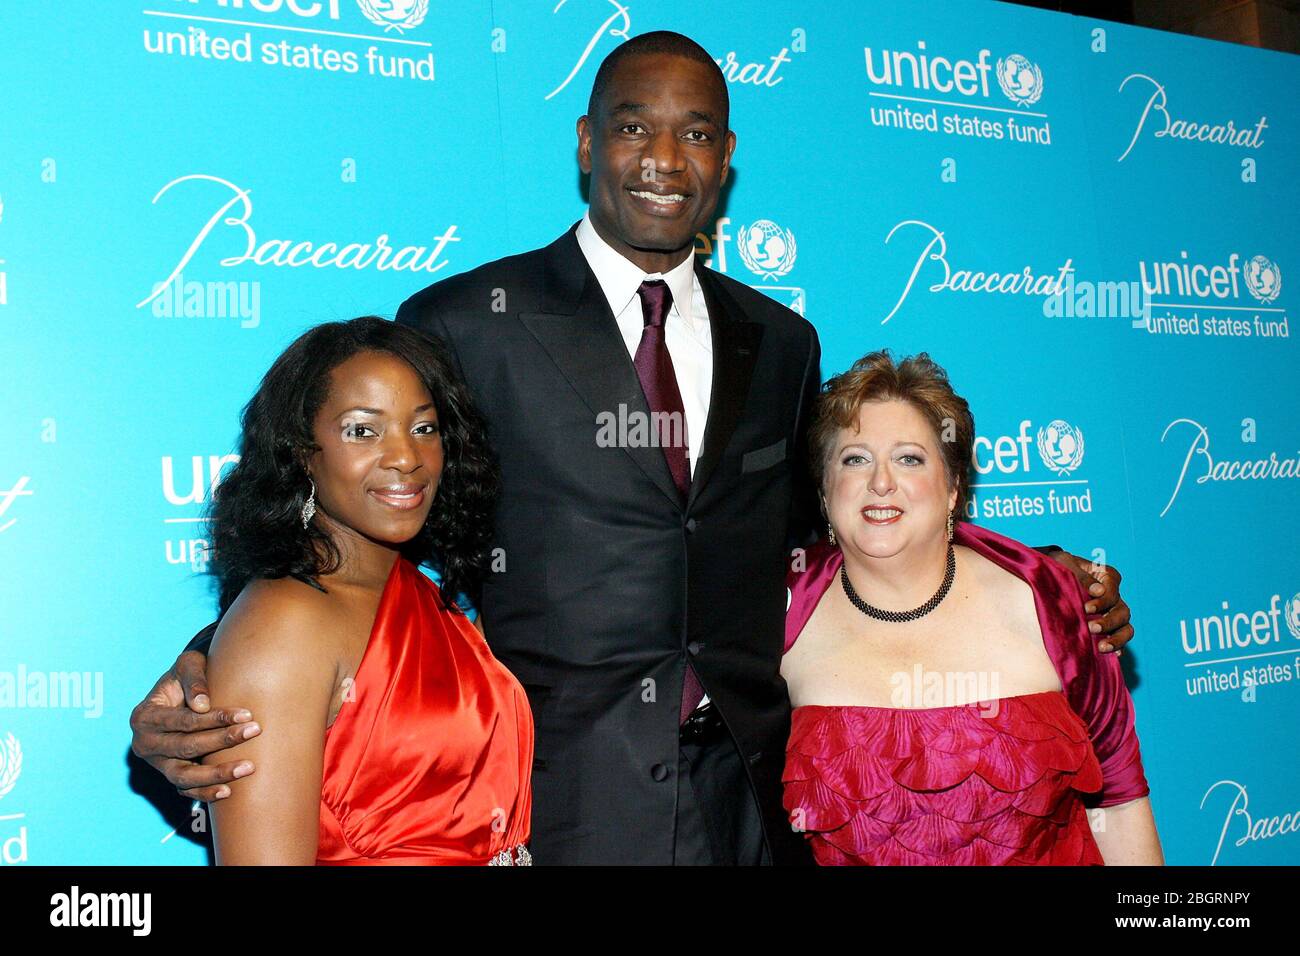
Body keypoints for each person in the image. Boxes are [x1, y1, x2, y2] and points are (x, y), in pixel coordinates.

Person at [129, 32, 1133, 865]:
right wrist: (212, 663)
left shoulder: (780, 341)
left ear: (725, 157)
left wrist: (1043, 585)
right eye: (633, 126)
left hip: (755, 801)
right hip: (555, 801)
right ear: (585, 143)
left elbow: (827, 539)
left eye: (695, 132)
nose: (665, 157)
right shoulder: (472, 319)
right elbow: (372, 520)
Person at [781, 351, 1162, 865]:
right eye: (854, 459)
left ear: (954, 487)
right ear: (825, 494)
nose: (881, 482)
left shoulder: (1054, 603)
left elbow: (1116, 805)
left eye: (909, 458)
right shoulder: (778, 617)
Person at [195, 317, 531, 865]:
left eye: (423, 427)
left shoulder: (426, 595)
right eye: (362, 430)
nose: (406, 457)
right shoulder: (285, 620)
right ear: (302, 451)